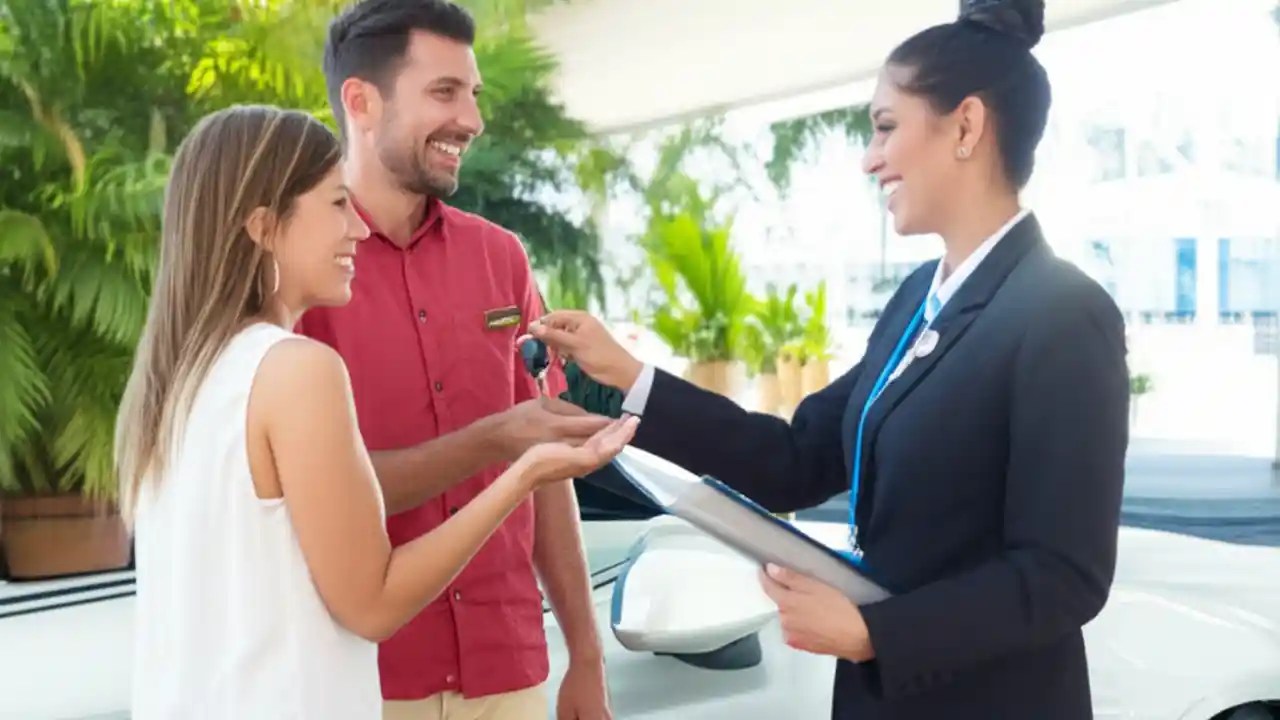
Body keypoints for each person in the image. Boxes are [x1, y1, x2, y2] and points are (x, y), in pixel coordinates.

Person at [527, 1, 1130, 718]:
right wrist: (630, 377)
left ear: (966, 126)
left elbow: (1063, 575)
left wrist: (879, 632)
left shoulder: (1064, 314)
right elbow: (797, 458)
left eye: (885, 128)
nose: (870, 158)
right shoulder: (917, 300)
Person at [116, 105, 636, 720]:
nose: (357, 230)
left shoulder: (172, 385)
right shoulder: (298, 370)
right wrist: (521, 473)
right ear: (263, 226)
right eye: (337, 205)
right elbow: (375, 602)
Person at [300, 1, 614, 718]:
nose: (471, 120)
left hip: (511, 674)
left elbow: (545, 468)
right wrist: (497, 440)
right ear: (362, 101)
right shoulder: (301, 273)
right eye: (444, 92)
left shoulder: (500, 257)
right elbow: (315, 500)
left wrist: (585, 654)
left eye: (472, 95)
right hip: (361, 681)